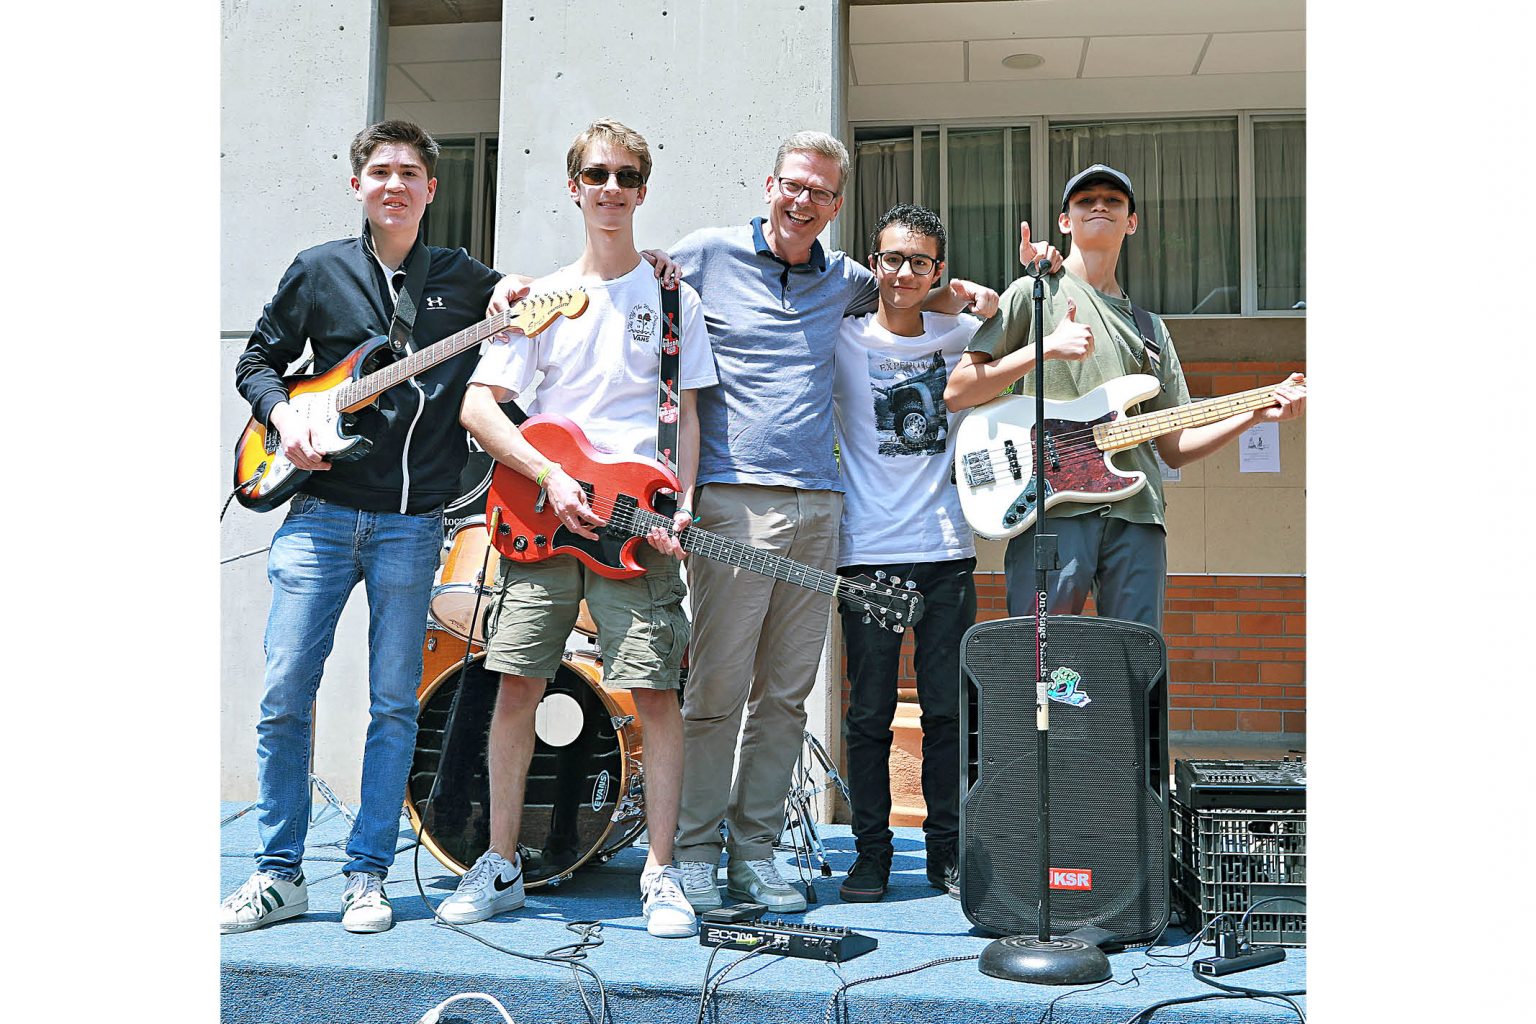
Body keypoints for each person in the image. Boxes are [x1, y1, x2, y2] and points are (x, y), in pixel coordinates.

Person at [667, 132, 1000, 913]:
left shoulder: (847, 278)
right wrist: (522, 285)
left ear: (836, 205)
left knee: (785, 695)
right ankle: (691, 852)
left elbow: (917, 292)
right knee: (717, 687)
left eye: (819, 192)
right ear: (769, 183)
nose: (802, 201)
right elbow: (624, 279)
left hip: (823, 506)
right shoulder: (709, 254)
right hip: (735, 496)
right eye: (792, 185)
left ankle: (754, 854)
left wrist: (976, 295)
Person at [223, 120, 530, 935]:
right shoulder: (318, 270)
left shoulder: (463, 280)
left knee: (394, 705)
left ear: (433, 189)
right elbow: (256, 360)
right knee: (286, 695)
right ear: (357, 184)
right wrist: (285, 415)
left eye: (410, 174)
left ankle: (367, 873)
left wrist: (517, 296)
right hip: (318, 515)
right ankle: (278, 874)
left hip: (411, 526)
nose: (395, 184)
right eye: (380, 171)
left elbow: (527, 305)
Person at [439, 119, 717, 939]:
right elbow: (477, 405)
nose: (611, 188)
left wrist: (687, 500)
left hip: (638, 527)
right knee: (516, 684)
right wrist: (550, 476)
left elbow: (689, 414)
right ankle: (499, 863)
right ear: (574, 186)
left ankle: (661, 874)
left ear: (643, 189)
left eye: (627, 176)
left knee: (656, 694)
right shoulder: (543, 298)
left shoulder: (675, 298)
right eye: (596, 174)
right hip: (544, 519)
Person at [831, 204, 1081, 902]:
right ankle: (872, 855)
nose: (904, 272)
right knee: (868, 715)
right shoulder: (842, 337)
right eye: (892, 258)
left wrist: (1034, 280)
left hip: (946, 548)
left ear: (939, 268)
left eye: (920, 261)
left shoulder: (963, 335)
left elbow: (1022, 324)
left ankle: (945, 850)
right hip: (867, 552)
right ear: (873, 263)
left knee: (948, 713)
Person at [945, 164, 1307, 627]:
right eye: (1085, 200)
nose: (1100, 205)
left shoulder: (1151, 329)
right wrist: (1047, 348)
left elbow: (1174, 447)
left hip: (1137, 515)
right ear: (1064, 221)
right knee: (1045, 664)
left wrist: (1255, 412)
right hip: (1052, 507)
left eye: (1113, 201)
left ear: (1131, 222)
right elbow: (958, 391)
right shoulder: (1032, 293)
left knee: (1136, 670)